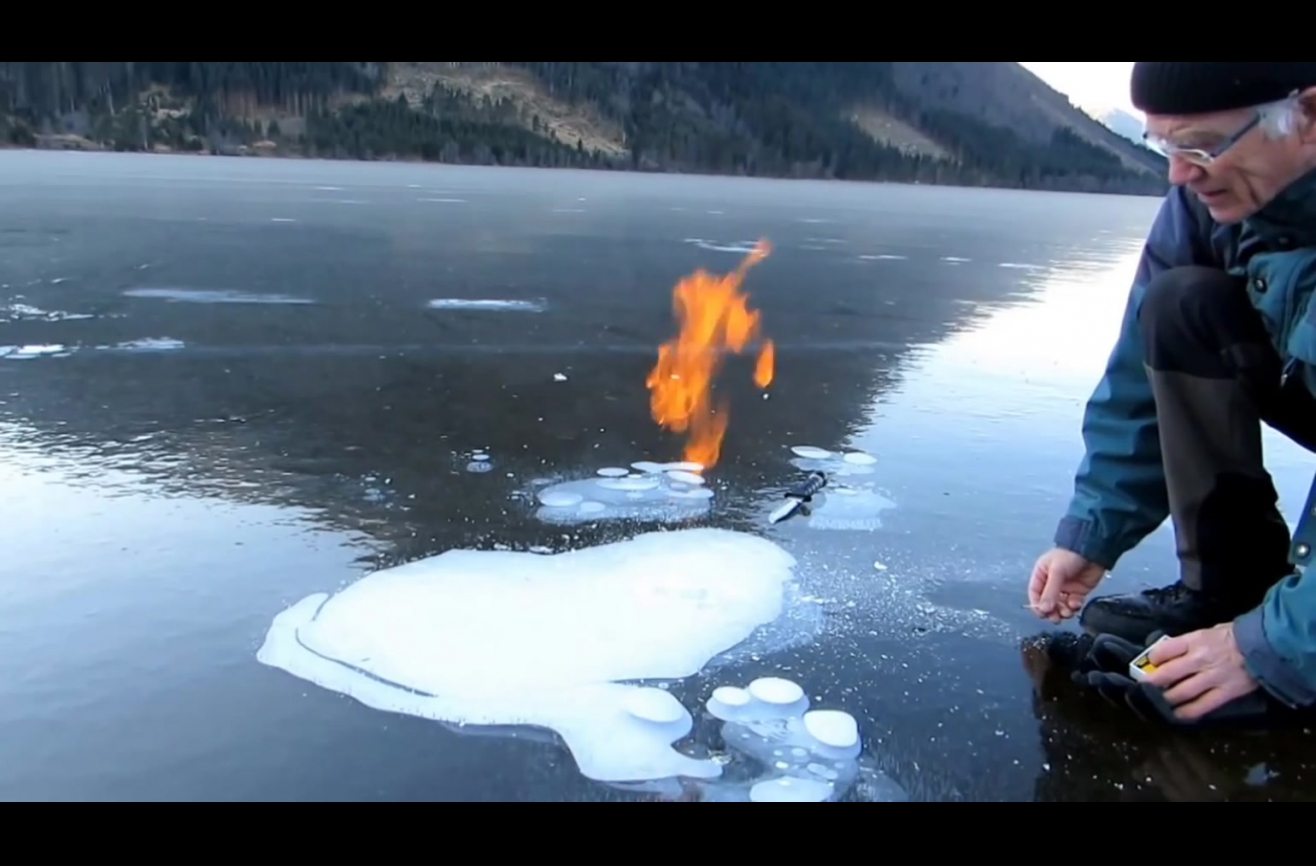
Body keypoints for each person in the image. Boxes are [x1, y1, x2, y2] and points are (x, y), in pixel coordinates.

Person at [1027, 62, 1316, 724]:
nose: (1178, 175)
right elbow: (1137, 369)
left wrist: (1273, 647)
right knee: (1178, 303)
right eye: (1165, 147)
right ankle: (1229, 586)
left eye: (1202, 146)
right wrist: (1094, 529)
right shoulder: (1203, 204)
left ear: (1309, 116)